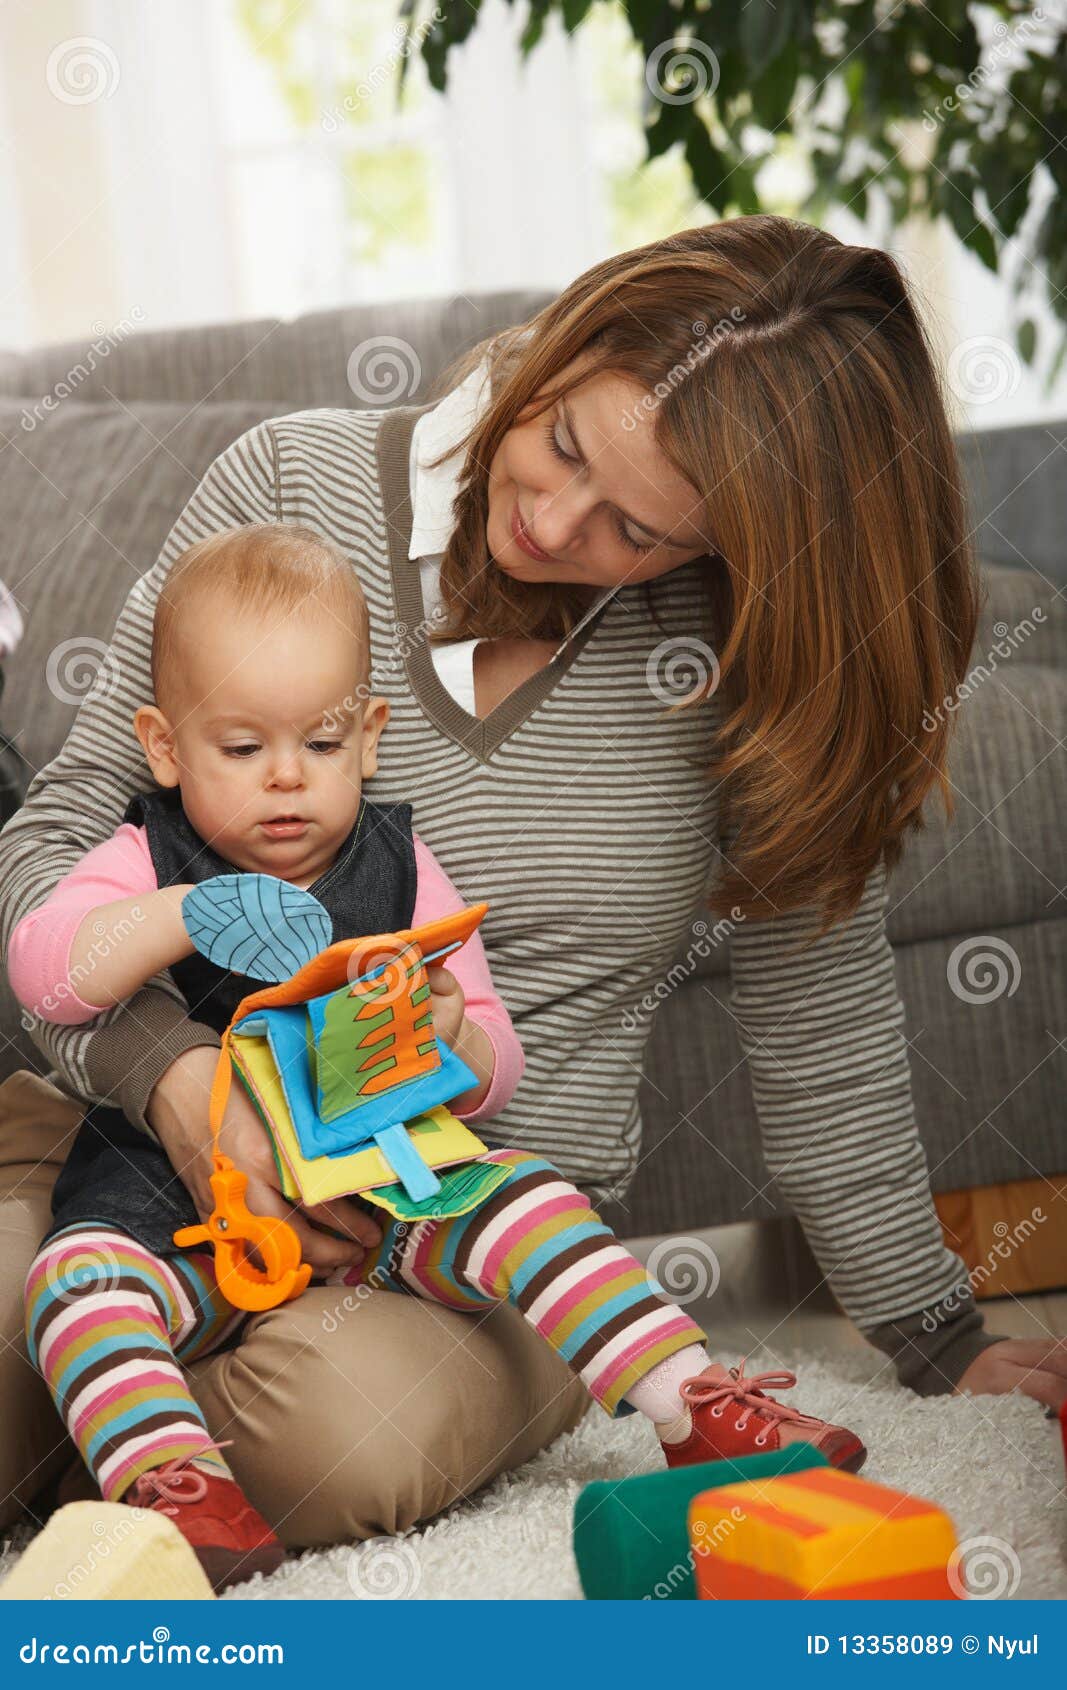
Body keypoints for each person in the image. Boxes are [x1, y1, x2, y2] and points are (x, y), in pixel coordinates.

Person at [1, 215, 1062, 1553]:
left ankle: (123, 1437)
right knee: (40, 1311)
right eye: (561, 441)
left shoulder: (735, 660)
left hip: (462, 1237)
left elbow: (820, 1021)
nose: (551, 522)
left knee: (322, 1443)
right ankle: (121, 1417)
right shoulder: (290, 479)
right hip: (133, 1157)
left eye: (636, 527)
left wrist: (934, 1332)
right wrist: (177, 1075)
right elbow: (48, 854)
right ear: (558, 349)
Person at [8, 521, 866, 1589]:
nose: (286, 781)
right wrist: (179, 912)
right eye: (240, 750)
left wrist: (453, 1039)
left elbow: (493, 1052)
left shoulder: (401, 862)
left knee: (532, 1199)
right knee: (75, 1281)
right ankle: (175, 1485)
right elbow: (46, 969)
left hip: (391, 1185)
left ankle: (693, 1401)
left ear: (368, 738)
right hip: (176, 1197)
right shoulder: (143, 853)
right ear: (166, 746)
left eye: (320, 747)